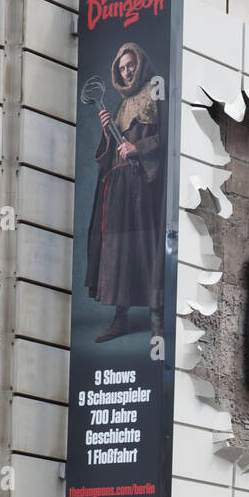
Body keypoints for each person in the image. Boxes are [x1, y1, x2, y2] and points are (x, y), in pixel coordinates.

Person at [86, 41, 168, 345]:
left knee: (147, 248)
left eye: (130, 64)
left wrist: (139, 147)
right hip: (119, 184)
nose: (127, 70)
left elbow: (169, 135)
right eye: (122, 68)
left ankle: (156, 320)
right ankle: (119, 319)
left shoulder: (155, 89)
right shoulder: (122, 104)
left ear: (140, 62)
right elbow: (110, 153)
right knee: (119, 251)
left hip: (144, 180)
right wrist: (108, 129)